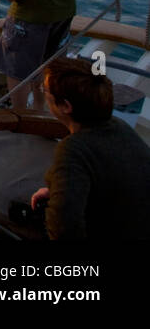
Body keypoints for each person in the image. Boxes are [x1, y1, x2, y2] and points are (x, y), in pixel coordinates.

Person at [29, 56, 150, 240]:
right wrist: (56, 190)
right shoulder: (118, 127)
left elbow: (64, 228)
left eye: (45, 91)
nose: (44, 94)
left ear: (65, 106)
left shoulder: (74, 149)